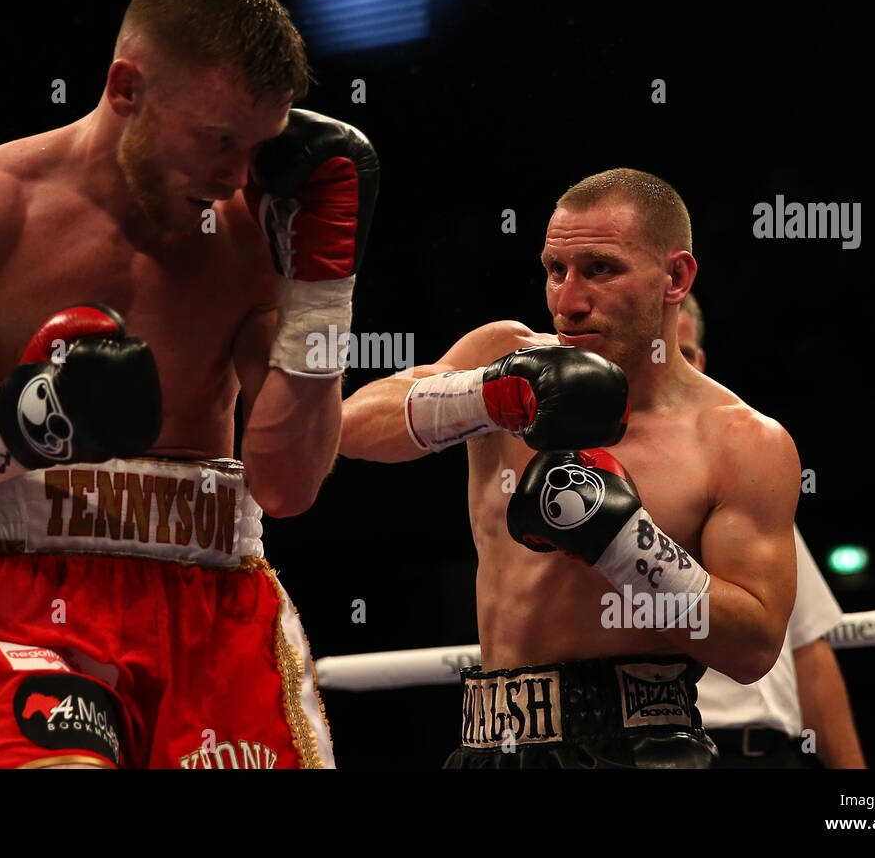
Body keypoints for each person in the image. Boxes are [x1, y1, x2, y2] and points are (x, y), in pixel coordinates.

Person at [0, 0, 378, 769]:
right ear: (126, 89)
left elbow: (291, 487)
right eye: (217, 138)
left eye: (259, 144)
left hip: (215, 599)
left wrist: (323, 295)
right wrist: (20, 423)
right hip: (21, 594)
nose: (236, 172)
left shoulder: (254, 233)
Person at [340, 168, 799, 768]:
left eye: (600, 270)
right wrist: (490, 396)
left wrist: (623, 544)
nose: (569, 300)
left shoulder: (742, 441)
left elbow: (754, 648)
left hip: (643, 746)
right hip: (489, 742)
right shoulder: (505, 359)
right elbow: (349, 428)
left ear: (676, 277)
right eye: (556, 270)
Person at [679, 295, 866, 768]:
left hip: (773, 755)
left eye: (680, 357)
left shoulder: (750, 480)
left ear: (701, 364)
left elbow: (807, 651)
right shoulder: (588, 487)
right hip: (664, 751)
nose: (665, 371)